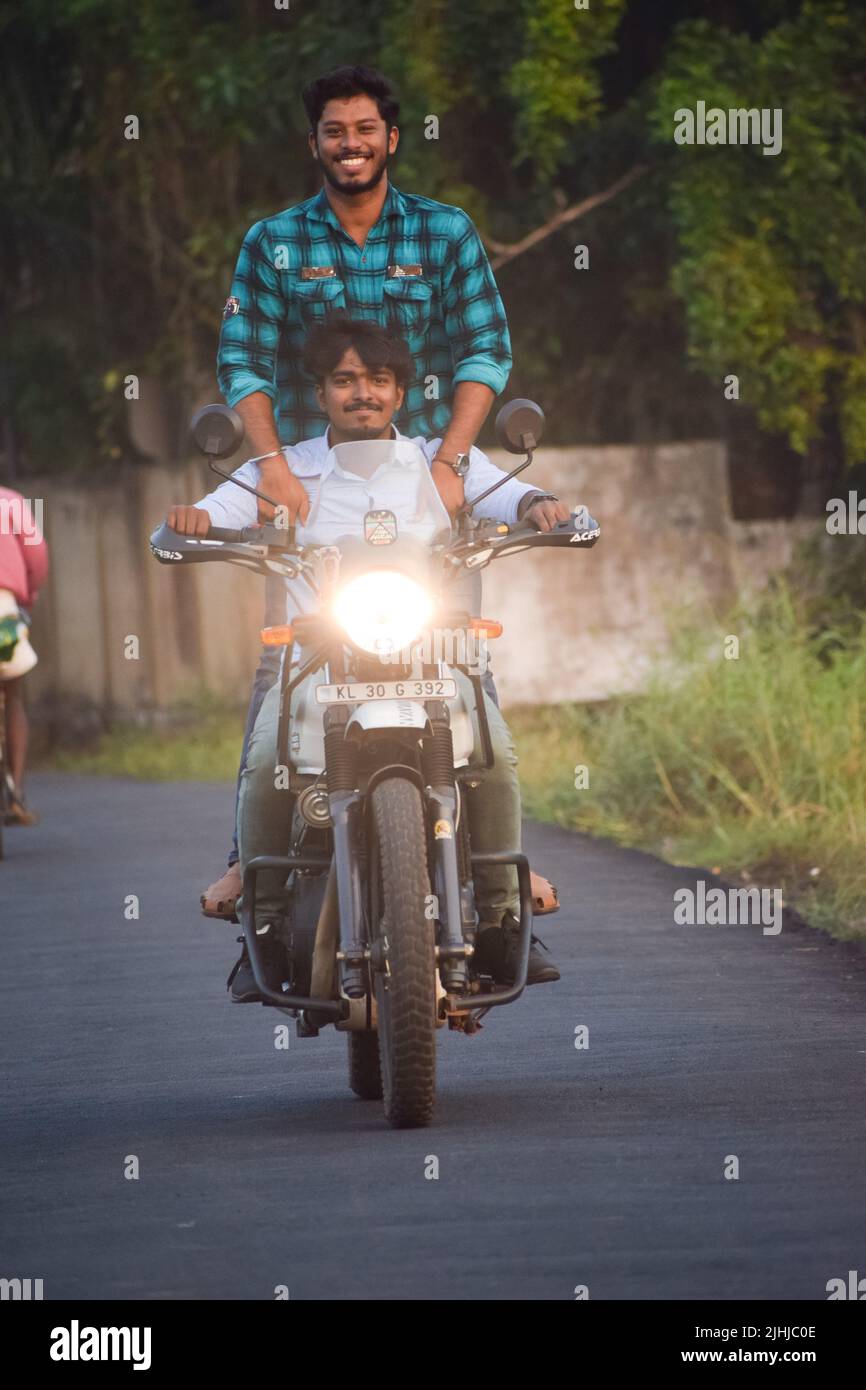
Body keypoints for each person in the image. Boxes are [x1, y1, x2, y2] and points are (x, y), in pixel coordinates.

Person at [202, 63, 557, 922]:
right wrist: (274, 469)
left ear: (392, 139)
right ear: (313, 142)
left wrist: (452, 466)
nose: (350, 145)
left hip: (426, 496)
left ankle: (504, 885)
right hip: (310, 502)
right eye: (334, 131)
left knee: (468, 678)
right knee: (278, 688)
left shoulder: (445, 233)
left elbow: (484, 349)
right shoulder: (273, 242)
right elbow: (243, 357)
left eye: (366, 130)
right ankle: (255, 869)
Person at [167, 318, 570, 999]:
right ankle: (261, 926)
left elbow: (508, 492)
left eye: (377, 381)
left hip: (431, 654)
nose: (363, 394)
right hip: (322, 660)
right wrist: (197, 522)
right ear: (321, 393)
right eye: (346, 381)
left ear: (400, 393)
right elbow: (222, 504)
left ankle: (503, 916)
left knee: (493, 755)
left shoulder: (442, 462)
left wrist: (539, 502)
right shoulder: (286, 469)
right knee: (268, 759)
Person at [0, 487, 48, 825]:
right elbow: (37, 554)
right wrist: (28, 595)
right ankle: (15, 793)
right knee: (12, 696)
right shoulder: (12, 501)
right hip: (4, 608)